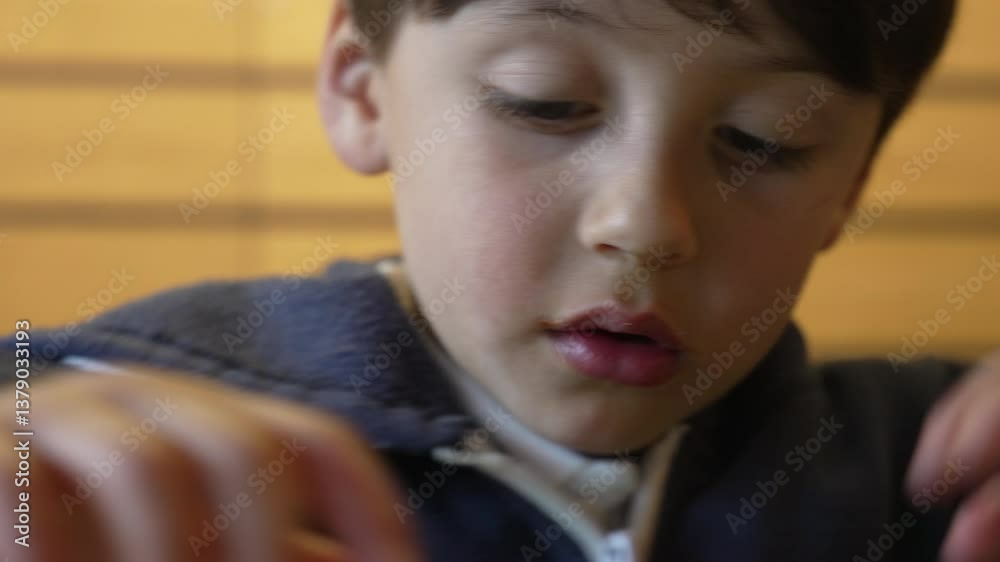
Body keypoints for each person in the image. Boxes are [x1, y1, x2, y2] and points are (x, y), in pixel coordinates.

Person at [3, 0, 998, 561]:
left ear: (851, 186)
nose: (645, 225)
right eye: (547, 104)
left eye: (760, 142)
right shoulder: (98, 426)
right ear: (361, 90)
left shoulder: (935, 475)